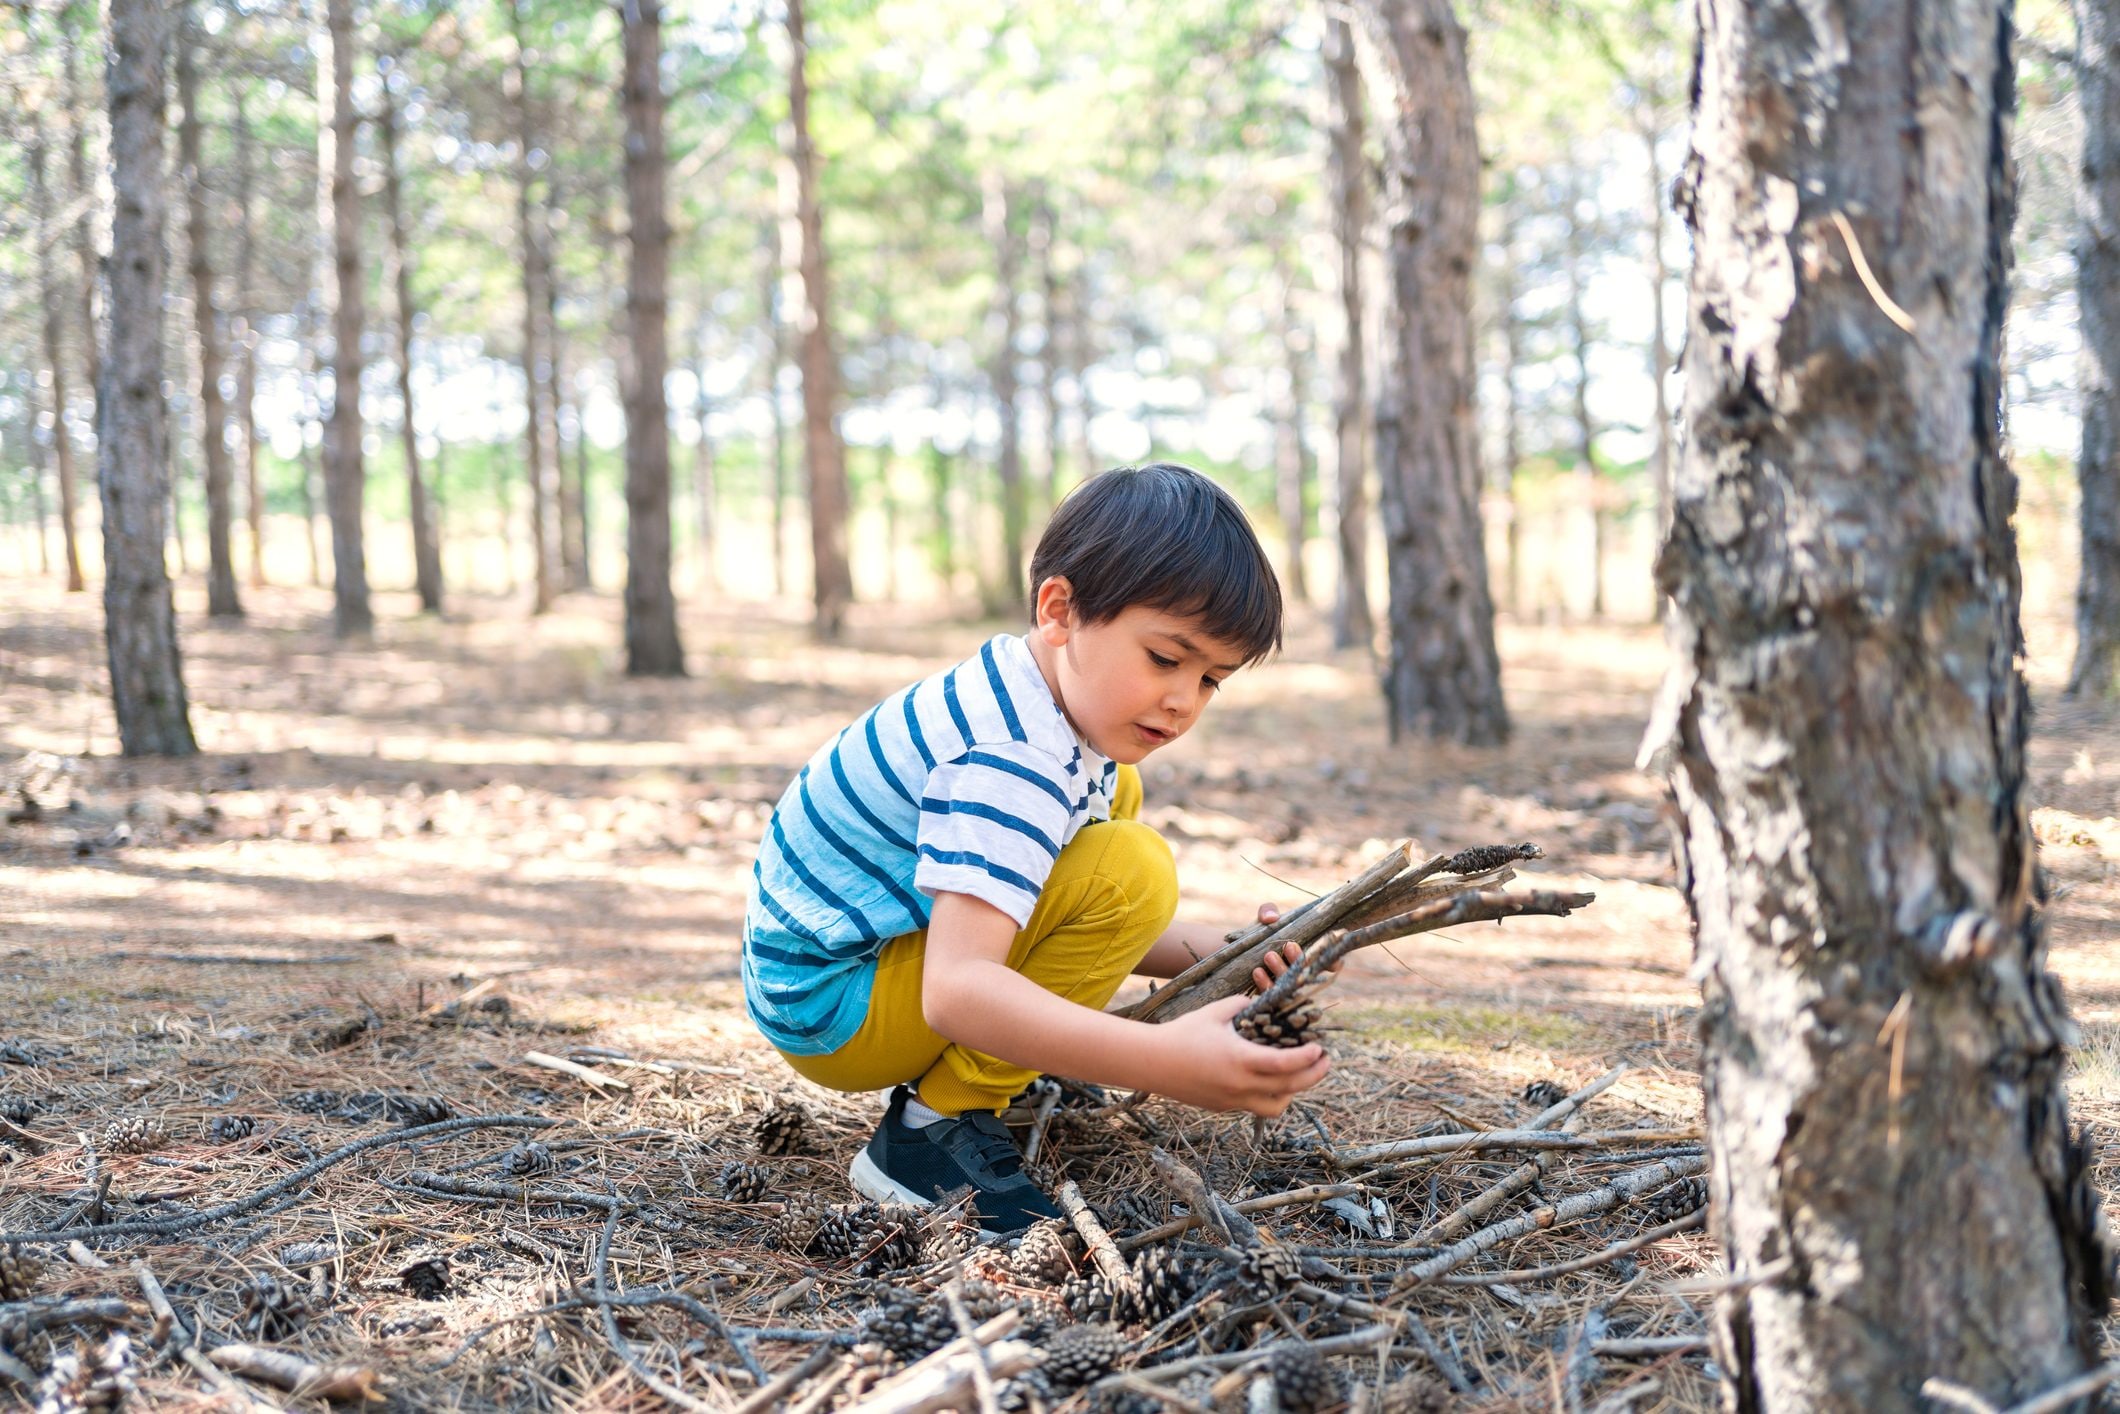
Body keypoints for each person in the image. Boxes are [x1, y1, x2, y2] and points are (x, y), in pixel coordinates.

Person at [741, 462, 1331, 1232]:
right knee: (1130, 868)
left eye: (1213, 679)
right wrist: (1166, 1063)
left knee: (1118, 818)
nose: (1185, 701)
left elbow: (1055, 914)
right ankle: (928, 1136)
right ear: (1060, 609)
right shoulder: (1012, 758)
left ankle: (976, 1080)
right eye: (1165, 658)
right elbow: (958, 989)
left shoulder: (1048, 713)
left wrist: (1238, 950)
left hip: (869, 966)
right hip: (834, 1004)